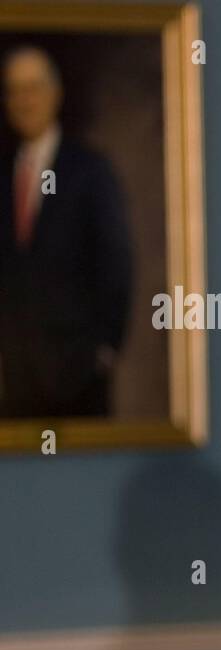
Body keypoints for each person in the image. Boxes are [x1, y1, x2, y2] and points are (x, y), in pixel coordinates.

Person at [0, 45, 132, 418]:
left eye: (33, 87)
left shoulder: (89, 170)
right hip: (14, 381)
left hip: (76, 375)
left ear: (55, 94)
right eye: (14, 90)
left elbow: (116, 264)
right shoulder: (5, 173)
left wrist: (103, 350)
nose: (24, 100)